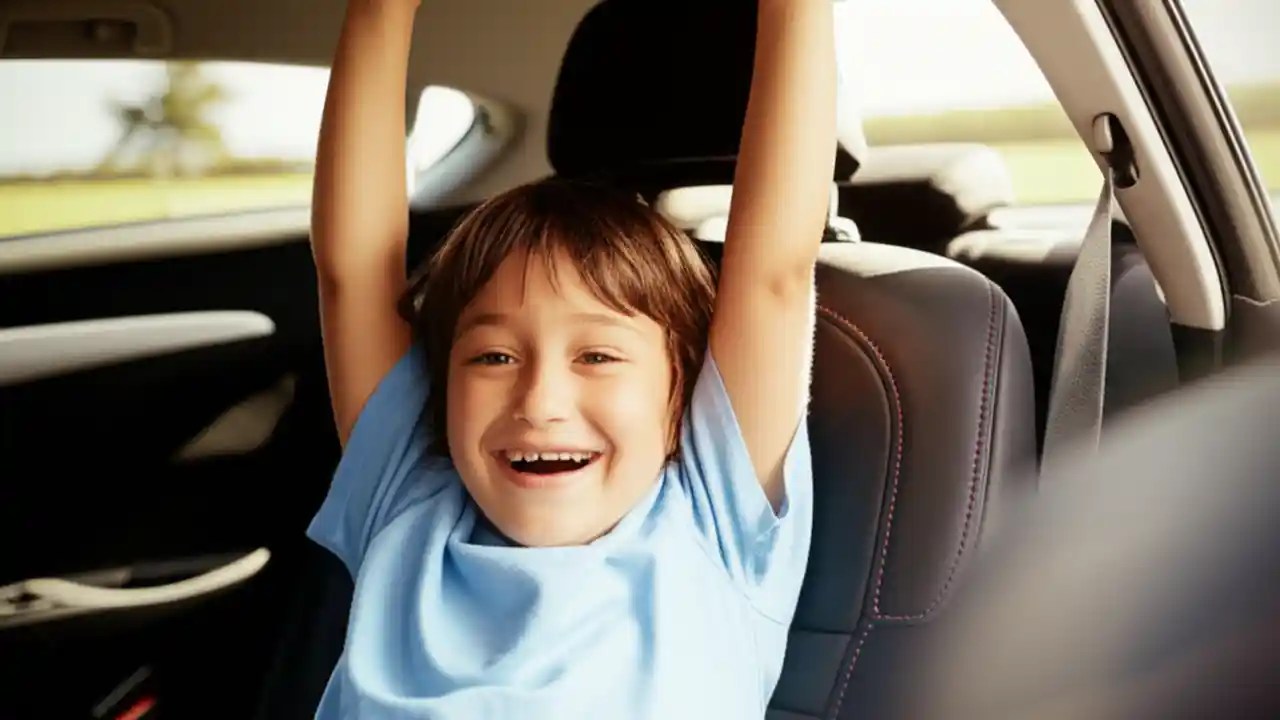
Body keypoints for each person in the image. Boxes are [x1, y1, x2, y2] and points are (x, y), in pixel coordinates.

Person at [305, 0, 836, 716]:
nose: (539, 401)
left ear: (681, 394)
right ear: (443, 382)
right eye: (493, 356)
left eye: (596, 356)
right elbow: (352, 271)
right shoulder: (407, 504)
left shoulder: (710, 520)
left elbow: (774, 275)